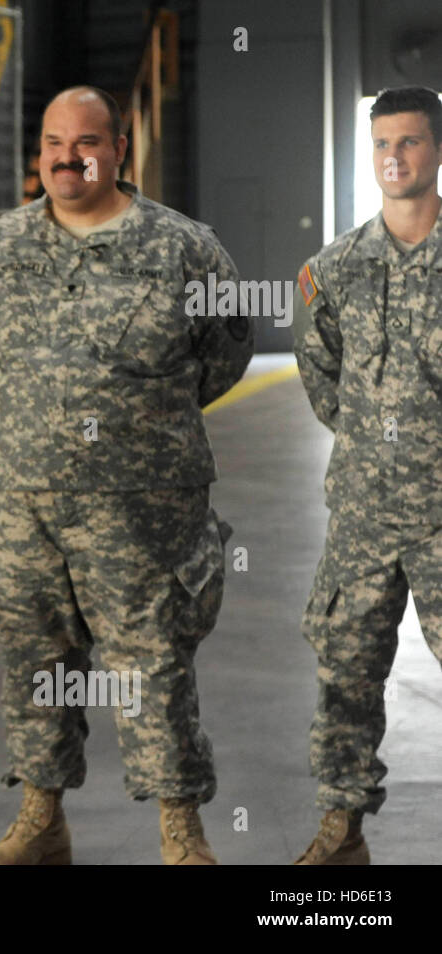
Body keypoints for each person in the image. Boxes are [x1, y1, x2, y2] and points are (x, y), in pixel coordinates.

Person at [0, 87, 253, 865]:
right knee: (33, 662)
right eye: (53, 141)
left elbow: (225, 354)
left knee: (152, 663)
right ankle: (41, 820)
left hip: (142, 507)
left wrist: (138, 420)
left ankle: (181, 832)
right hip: (21, 503)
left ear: (119, 149)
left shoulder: (185, 248)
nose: (67, 156)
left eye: (86, 141)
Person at [292, 86, 442, 865]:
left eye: (410, 141)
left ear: (437, 149)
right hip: (363, 514)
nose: (394, 156)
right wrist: (370, 446)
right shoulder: (336, 268)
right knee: (345, 673)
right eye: (383, 143)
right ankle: (341, 830)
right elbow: (321, 374)